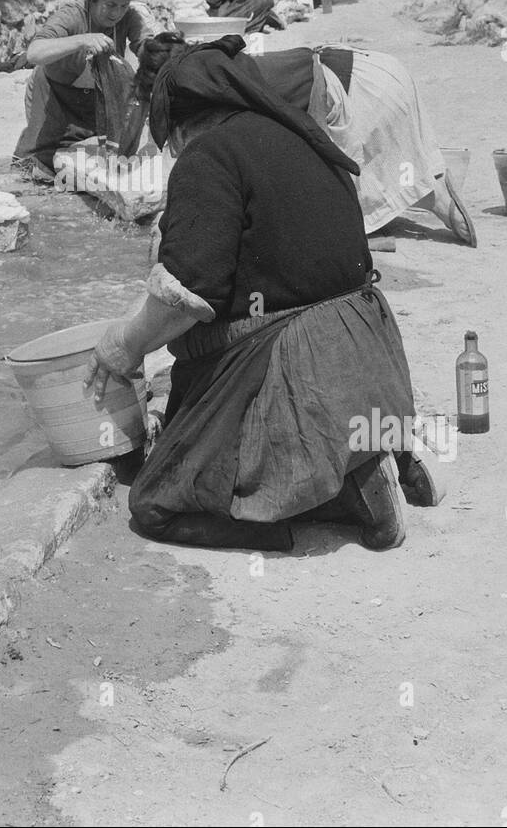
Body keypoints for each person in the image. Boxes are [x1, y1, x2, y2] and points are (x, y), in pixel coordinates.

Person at [85, 38, 439, 552]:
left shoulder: (210, 156)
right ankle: (376, 460)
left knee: (156, 502)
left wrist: (124, 344)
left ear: (183, 124)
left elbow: (188, 292)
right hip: (367, 348)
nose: (177, 153)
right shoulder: (303, 136)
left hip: (301, 359)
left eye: (173, 141)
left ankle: (328, 501)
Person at [134, 32, 475, 245]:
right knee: (375, 180)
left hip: (364, 92)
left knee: (331, 219)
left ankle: (437, 197)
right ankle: (430, 187)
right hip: (374, 69)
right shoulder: (222, 74)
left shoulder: (208, 95)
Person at [12, 0, 154, 179]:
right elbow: (35, 52)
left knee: (97, 158)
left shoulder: (129, 17)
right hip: (54, 95)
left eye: (123, 6)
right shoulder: (72, 14)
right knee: (41, 164)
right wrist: (83, 39)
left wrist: (160, 53)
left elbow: (147, 47)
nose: (116, 13)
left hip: (93, 97)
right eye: (109, 5)